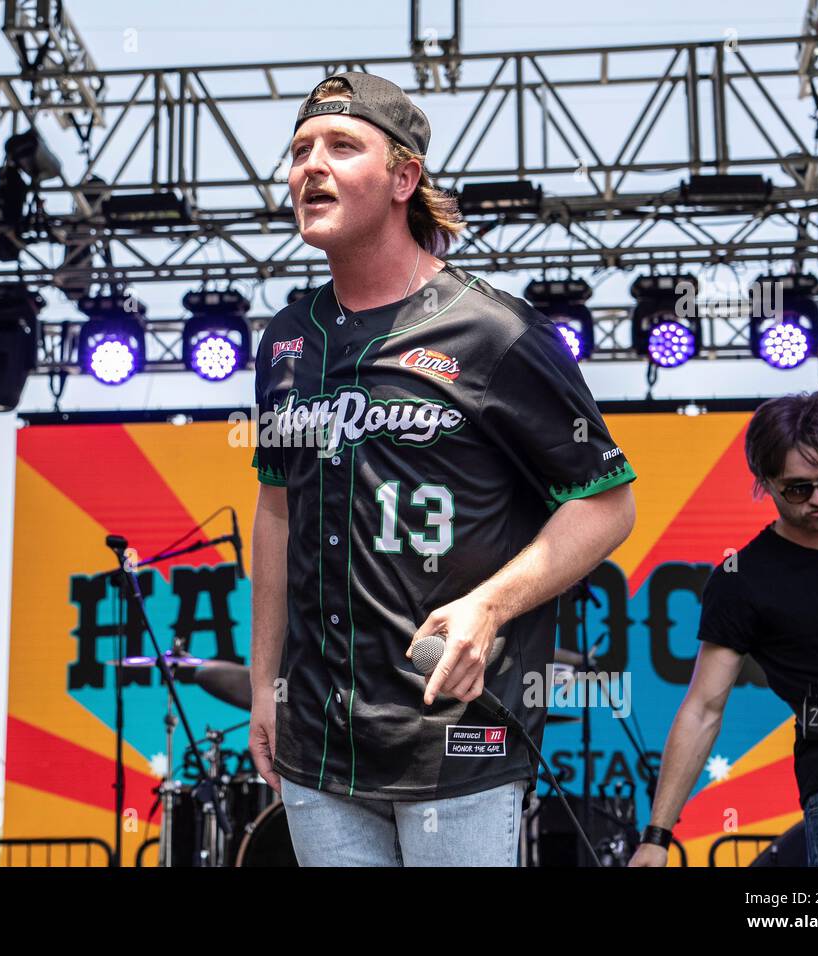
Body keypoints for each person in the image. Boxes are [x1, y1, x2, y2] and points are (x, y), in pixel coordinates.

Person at [247, 71, 637, 866]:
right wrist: (264, 684)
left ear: (404, 178)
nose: (310, 166)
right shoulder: (285, 340)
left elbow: (606, 504)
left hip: (455, 735)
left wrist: (488, 608)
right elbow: (277, 512)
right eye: (299, 151)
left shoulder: (492, 331)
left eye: (341, 146)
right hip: (320, 743)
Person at [630, 391, 818, 867]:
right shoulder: (742, 580)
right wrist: (657, 835)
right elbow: (703, 708)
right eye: (797, 488)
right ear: (764, 481)